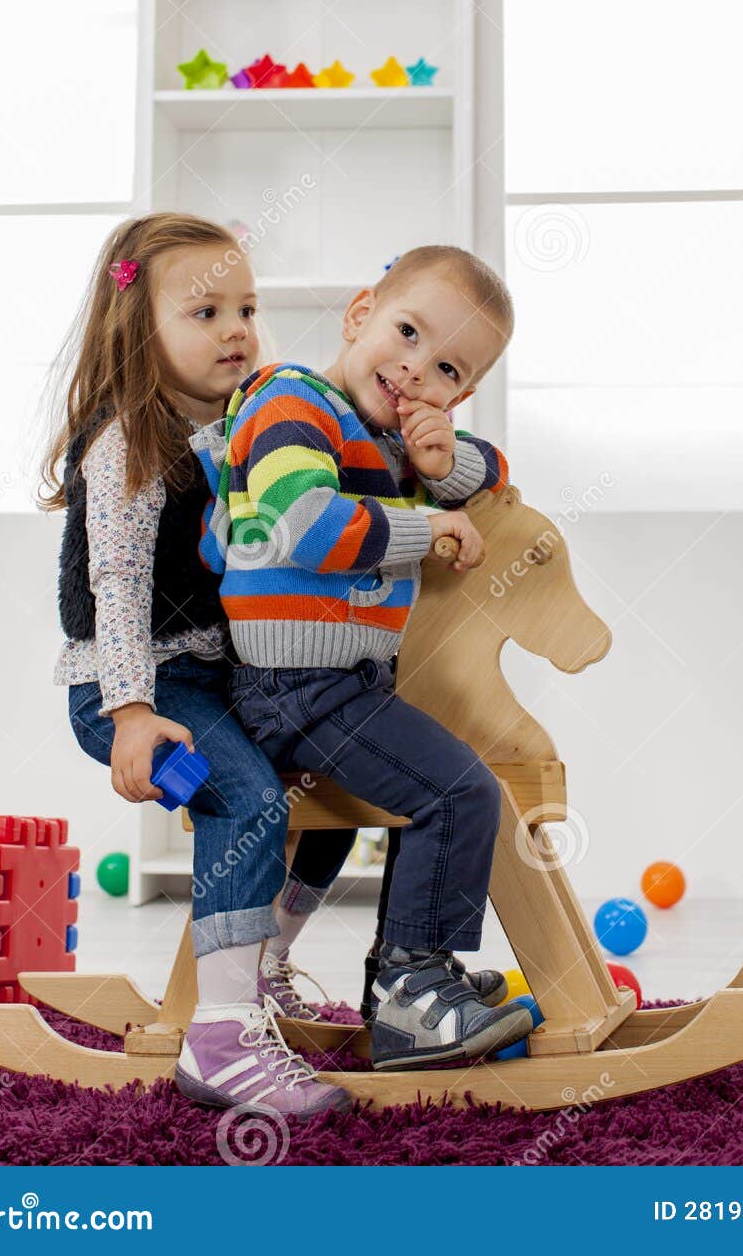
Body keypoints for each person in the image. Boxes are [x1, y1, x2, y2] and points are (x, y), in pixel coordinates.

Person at [193, 245, 534, 1070]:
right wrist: (429, 526)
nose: (415, 369)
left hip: (337, 684)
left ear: (460, 394)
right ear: (359, 316)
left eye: (446, 368)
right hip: (291, 684)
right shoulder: (292, 402)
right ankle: (409, 991)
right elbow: (301, 523)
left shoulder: (388, 438)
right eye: (407, 332)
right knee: (456, 790)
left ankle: (340, 970)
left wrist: (443, 459)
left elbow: (491, 475)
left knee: (350, 823)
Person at [43, 211, 353, 1116]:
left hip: (221, 677)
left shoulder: (245, 423)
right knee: (249, 802)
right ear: (139, 330)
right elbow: (115, 586)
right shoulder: (126, 445)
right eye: (205, 312)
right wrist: (131, 711)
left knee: (341, 786)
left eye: (246, 309)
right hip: (136, 684)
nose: (236, 330)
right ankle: (221, 1040)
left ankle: (261, 967)